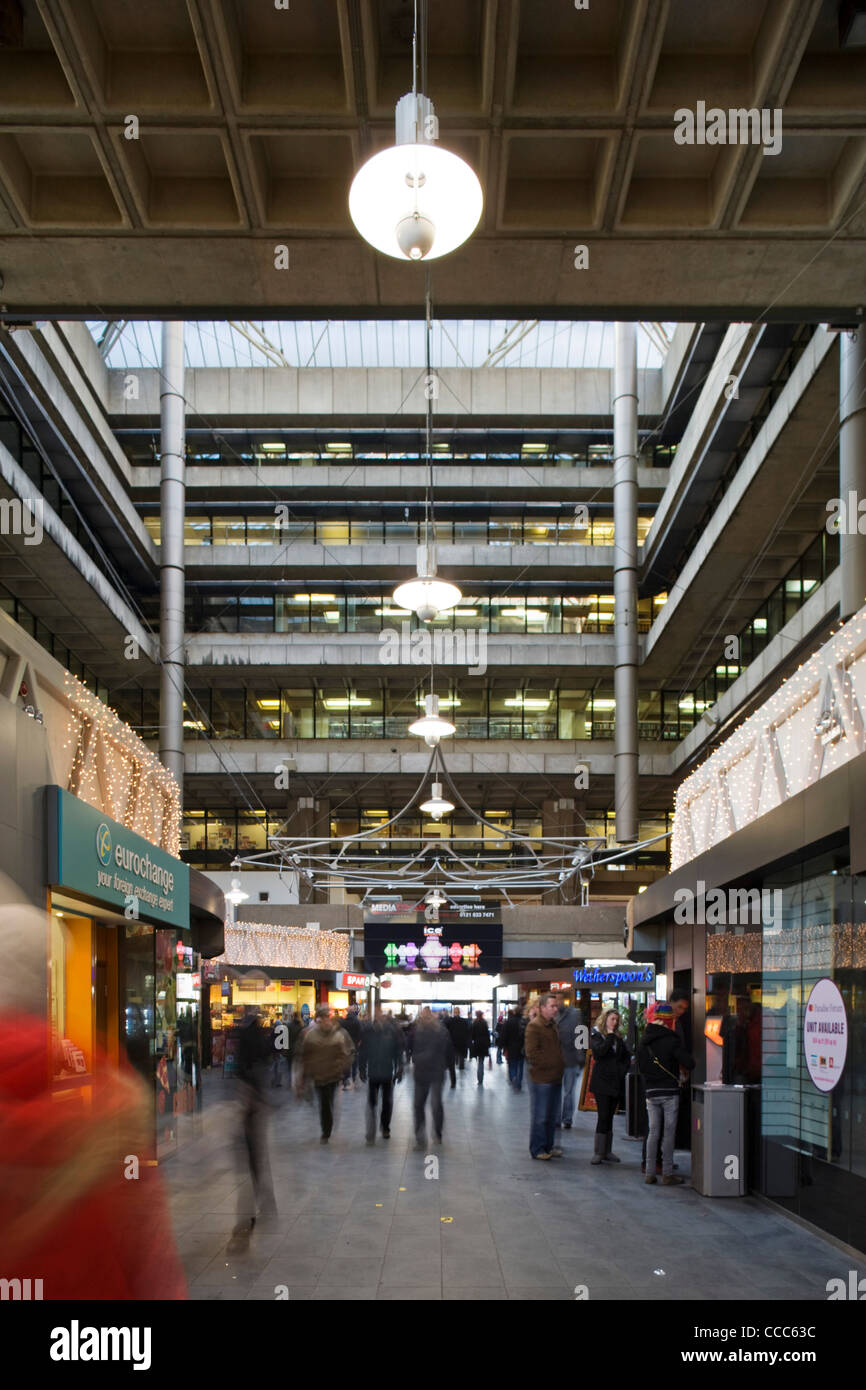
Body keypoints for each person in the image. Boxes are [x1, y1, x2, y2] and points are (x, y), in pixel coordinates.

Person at [637, 1000, 695, 1184]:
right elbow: (690, 1062)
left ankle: (650, 1173)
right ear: (669, 1021)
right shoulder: (671, 1040)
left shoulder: (644, 1041)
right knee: (669, 1133)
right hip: (669, 1091)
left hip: (651, 1092)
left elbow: (641, 1067)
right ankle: (667, 1173)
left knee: (653, 1132)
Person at [232, 1004, 277, 1236]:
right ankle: (263, 1198)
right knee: (255, 1156)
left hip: (248, 1103)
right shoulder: (259, 1036)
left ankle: (252, 1209)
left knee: (250, 1157)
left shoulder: (244, 1037)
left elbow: (241, 1069)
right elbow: (266, 1059)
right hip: (256, 1102)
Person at [296, 1005, 353, 1143]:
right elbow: (304, 1056)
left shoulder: (339, 1034)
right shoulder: (311, 1035)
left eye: (327, 1017)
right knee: (324, 1103)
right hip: (318, 1075)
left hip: (333, 1075)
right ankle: (326, 1130)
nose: (325, 1020)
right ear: (319, 1019)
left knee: (328, 1102)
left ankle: (327, 1128)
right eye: (323, 1018)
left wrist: (343, 1067)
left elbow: (348, 1052)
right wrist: (303, 1076)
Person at [524, 993, 564, 1160]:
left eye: (556, 1006)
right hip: (542, 1079)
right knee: (541, 1116)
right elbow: (532, 1054)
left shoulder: (553, 1025)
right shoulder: (535, 1026)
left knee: (552, 1116)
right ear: (542, 1008)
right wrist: (550, 1064)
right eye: (552, 1006)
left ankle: (548, 1145)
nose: (556, 1009)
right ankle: (538, 1148)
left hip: (555, 1077)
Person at [589, 1007, 631, 1165]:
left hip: (615, 1081)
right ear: (605, 1019)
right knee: (603, 1115)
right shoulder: (597, 1035)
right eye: (612, 1019)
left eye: (617, 1020)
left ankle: (607, 1150)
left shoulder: (619, 1038)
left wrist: (622, 1069)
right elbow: (599, 1053)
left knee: (610, 1116)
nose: (615, 1022)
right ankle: (599, 1151)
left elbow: (626, 1056)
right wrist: (609, 1036)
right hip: (602, 1081)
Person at [358, 1006, 403, 1142]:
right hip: (373, 1072)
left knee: (387, 1102)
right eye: (376, 1015)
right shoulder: (367, 1031)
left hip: (387, 1072)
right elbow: (363, 1052)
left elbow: (397, 1051)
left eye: (380, 1014)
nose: (378, 1017)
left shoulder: (392, 1031)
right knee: (372, 1103)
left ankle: (385, 1128)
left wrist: (399, 1068)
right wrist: (361, 1068)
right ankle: (371, 1130)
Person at [412, 1007, 453, 1146]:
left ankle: (434, 1132)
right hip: (426, 1072)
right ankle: (423, 1133)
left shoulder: (440, 1032)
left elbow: (448, 1051)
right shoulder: (418, 1031)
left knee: (431, 1105)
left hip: (433, 1072)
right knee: (422, 1105)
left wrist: (417, 1058)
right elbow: (410, 1047)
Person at [554, 993, 584, 1129]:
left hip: (570, 1060)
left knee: (568, 1092)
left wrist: (581, 1059)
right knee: (557, 1091)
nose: (557, 1002)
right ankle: (557, 1118)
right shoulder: (552, 1015)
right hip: (555, 1061)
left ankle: (567, 1119)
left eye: (559, 999)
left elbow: (581, 1035)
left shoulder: (575, 1014)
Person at [340, 1003, 362, 1090]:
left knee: (346, 1062)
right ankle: (354, 1078)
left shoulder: (344, 1022)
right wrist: (358, 1042)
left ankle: (346, 1080)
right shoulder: (357, 1021)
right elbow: (360, 1033)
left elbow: (340, 1032)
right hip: (355, 1045)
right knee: (354, 1062)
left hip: (345, 1044)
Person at [502, 1006, 525, 1090]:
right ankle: (519, 1081)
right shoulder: (523, 1021)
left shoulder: (508, 1022)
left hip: (511, 1047)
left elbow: (504, 1036)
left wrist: (504, 1046)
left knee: (512, 1065)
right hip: (522, 1047)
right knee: (520, 1066)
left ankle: (513, 1077)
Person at [469, 1010, 491, 1084]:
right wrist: (488, 1045)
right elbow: (487, 1035)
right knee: (481, 1061)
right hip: (484, 1045)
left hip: (477, 1044)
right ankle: (481, 1078)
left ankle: (479, 1079)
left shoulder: (474, 1023)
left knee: (479, 1062)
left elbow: (472, 1036)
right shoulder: (484, 1023)